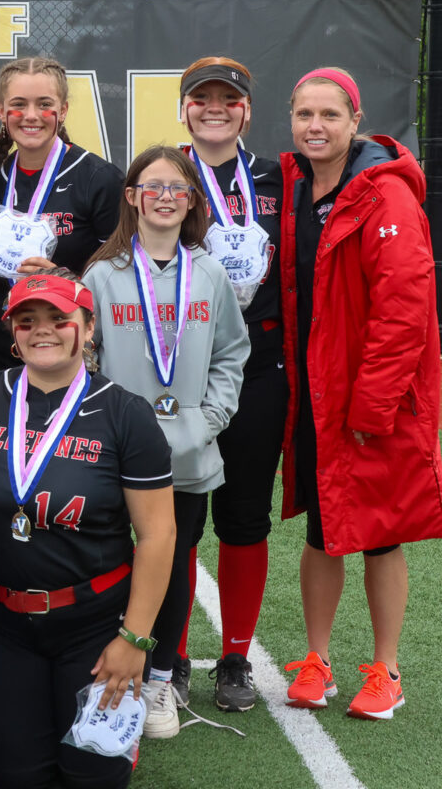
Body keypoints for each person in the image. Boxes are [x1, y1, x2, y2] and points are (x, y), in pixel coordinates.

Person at [0, 271, 175, 789]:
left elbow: (158, 536)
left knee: (93, 775)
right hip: (2, 624)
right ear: (11, 332)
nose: (43, 331)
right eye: (27, 321)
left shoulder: (126, 413)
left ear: (88, 327)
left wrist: (135, 639)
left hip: (93, 624)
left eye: (60, 319)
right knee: (16, 775)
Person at [280, 67, 442, 720]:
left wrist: (373, 402)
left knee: (381, 532)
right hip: (316, 393)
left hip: (367, 402)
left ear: (355, 120)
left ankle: (387, 669)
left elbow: (406, 310)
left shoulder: (385, 195)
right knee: (324, 530)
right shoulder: (295, 183)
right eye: (304, 115)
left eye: (328, 115)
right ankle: (317, 661)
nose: (315, 127)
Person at [81, 145, 247, 738]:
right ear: (132, 197)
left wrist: (210, 419)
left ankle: (158, 680)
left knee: (174, 563)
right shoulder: (103, 275)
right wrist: (99, 422)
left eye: (177, 188)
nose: (166, 197)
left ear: (192, 201)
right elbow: (84, 355)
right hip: (113, 450)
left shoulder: (210, 274)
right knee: (109, 556)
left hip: (188, 450)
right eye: (153, 187)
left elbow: (232, 352)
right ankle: (104, 669)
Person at [171, 57, 286, 712]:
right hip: (181, 370)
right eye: (202, 98)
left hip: (258, 367)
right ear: (184, 106)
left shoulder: (277, 174)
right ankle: (176, 655)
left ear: (246, 107)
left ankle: (237, 657)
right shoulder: (164, 172)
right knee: (182, 520)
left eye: (229, 99)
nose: (216, 108)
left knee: (243, 518)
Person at [0, 56, 122, 371]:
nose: (31, 116)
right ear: (2, 111)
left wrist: (63, 278)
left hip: (72, 342)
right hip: (5, 341)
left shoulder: (98, 178)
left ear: (64, 110)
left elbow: (123, 275)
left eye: (44, 104)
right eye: (19, 104)